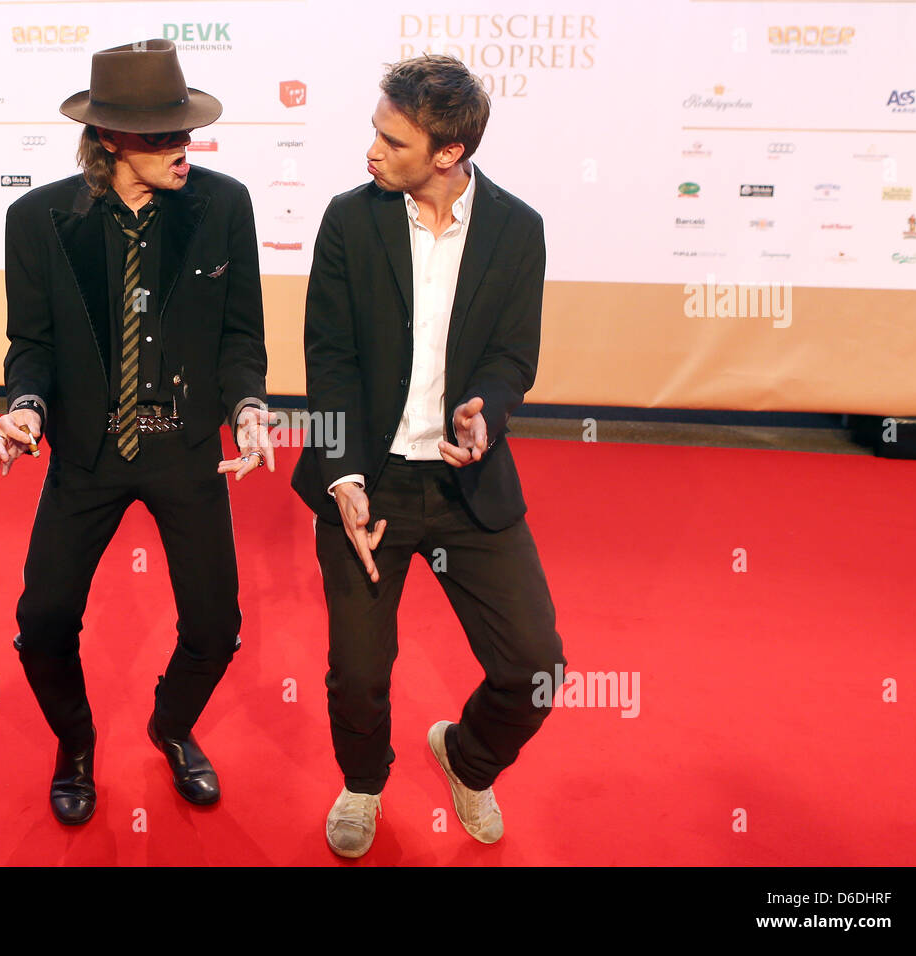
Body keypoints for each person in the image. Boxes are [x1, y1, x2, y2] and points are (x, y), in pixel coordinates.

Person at [0, 39, 272, 825]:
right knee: (42, 622)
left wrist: (248, 406)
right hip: (88, 452)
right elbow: (32, 345)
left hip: (186, 451)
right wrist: (24, 409)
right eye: (163, 136)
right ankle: (75, 744)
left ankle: (171, 727)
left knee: (216, 629)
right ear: (112, 139)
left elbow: (241, 337)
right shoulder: (38, 219)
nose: (185, 148)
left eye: (186, 131)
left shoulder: (224, 206)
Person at [290, 54, 566, 857]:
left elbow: (514, 355)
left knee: (534, 666)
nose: (370, 152)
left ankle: (467, 757)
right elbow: (329, 358)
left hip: (467, 487)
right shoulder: (351, 220)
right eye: (375, 132)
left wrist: (489, 410)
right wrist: (340, 476)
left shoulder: (518, 229)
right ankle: (363, 784)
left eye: (391, 141)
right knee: (360, 675)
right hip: (366, 484)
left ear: (448, 154)